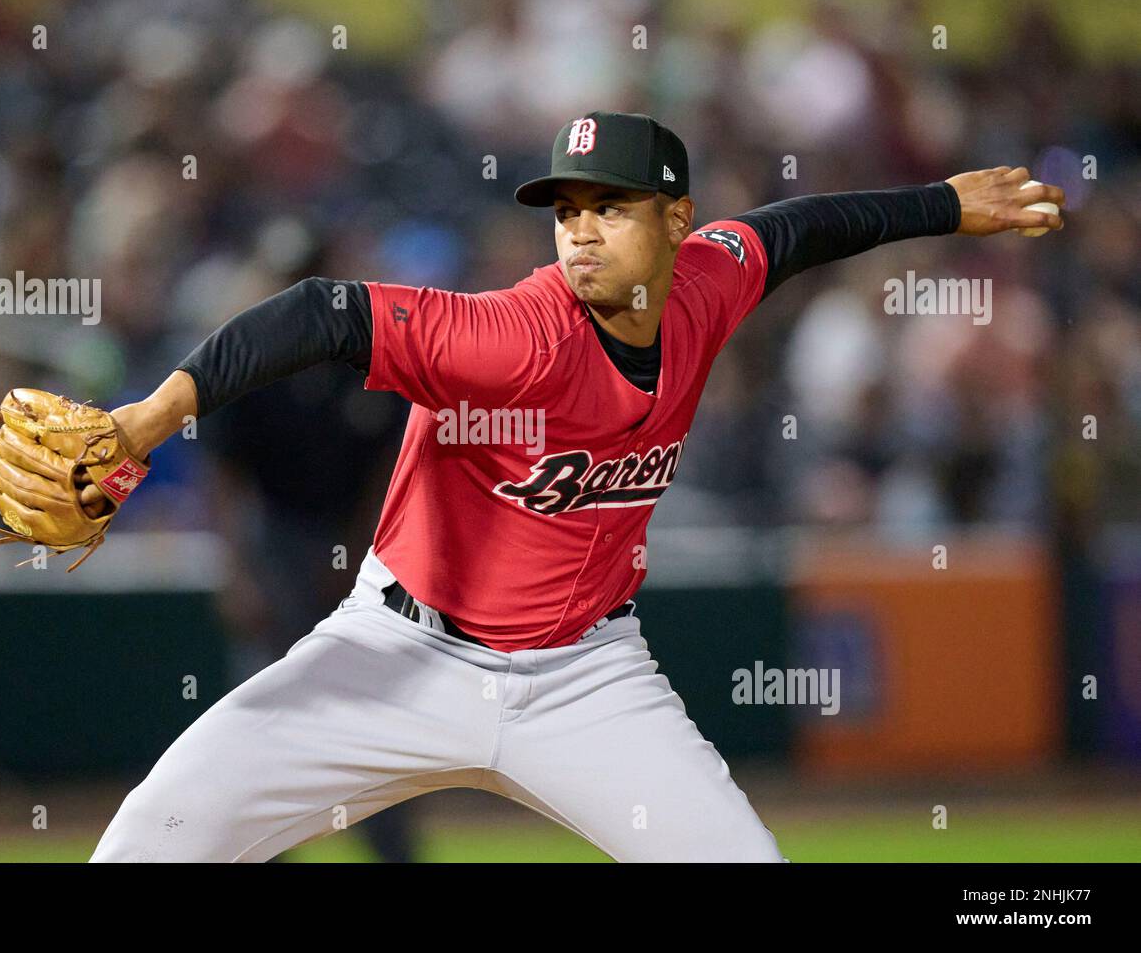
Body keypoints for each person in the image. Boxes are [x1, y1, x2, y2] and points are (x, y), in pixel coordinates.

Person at [88, 111, 1064, 862]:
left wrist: (943, 204)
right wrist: (149, 413)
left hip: (586, 679)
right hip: (395, 655)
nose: (580, 232)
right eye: (566, 210)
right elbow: (318, 313)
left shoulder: (708, 284)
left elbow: (802, 227)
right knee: (153, 836)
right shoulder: (511, 335)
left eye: (610, 205)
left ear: (678, 221)